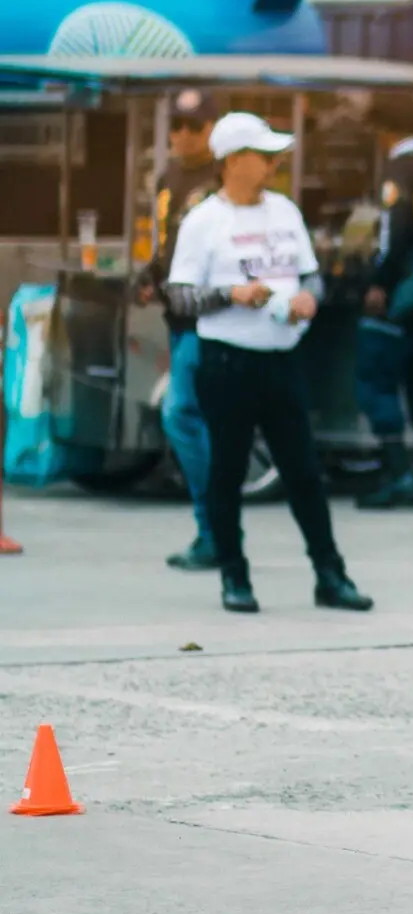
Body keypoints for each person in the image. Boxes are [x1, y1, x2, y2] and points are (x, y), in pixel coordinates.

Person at [163, 113, 373, 614]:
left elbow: (310, 275)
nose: (274, 164)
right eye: (264, 155)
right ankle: (234, 575)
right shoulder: (203, 221)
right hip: (227, 358)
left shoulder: (285, 211)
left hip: (281, 355)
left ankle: (330, 574)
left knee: (303, 470)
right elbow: (180, 297)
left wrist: (308, 298)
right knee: (227, 470)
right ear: (234, 161)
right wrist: (230, 295)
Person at [139, 88, 222, 571]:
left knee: (180, 413)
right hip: (177, 313)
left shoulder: (224, 177)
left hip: (210, 316)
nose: (184, 135)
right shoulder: (168, 177)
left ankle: (216, 527)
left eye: (195, 126)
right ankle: (214, 529)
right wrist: (150, 276)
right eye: (177, 126)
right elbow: (167, 242)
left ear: (212, 128)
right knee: (193, 417)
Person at [354, 107, 413, 510]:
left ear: (384, 132)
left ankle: (398, 473)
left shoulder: (398, 169)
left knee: (375, 381)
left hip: (401, 296)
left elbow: (395, 229)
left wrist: (380, 280)